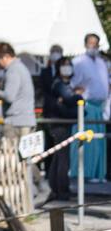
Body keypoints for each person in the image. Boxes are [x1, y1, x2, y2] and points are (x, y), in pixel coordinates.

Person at [0, 42, 50, 206]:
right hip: (25, 119)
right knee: (25, 157)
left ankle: (38, 188)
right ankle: (39, 188)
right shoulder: (21, 68)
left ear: (6, 56)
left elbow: (9, 96)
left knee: (15, 158)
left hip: (16, 121)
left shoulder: (13, 70)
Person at [68, 32, 108, 183]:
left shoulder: (101, 62)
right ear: (86, 44)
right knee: (87, 140)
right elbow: (72, 83)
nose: (94, 46)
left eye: (96, 43)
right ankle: (84, 172)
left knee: (99, 141)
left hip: (100, 106)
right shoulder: (78, 61)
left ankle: (98, 173)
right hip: (85, 106)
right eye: (91, 43)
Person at [44, 56, 79, 202]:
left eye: (69, 64)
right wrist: (77, 97)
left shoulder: (67, 85)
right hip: (59, 124)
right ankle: (62, 191)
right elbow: (72, 101)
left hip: (62, 123)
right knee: (63, 159)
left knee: (58, 157)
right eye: (64, 65)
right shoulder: (58, 85)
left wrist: (71, 100)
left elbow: (69, 102)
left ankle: (56, 189)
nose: (67, 67)